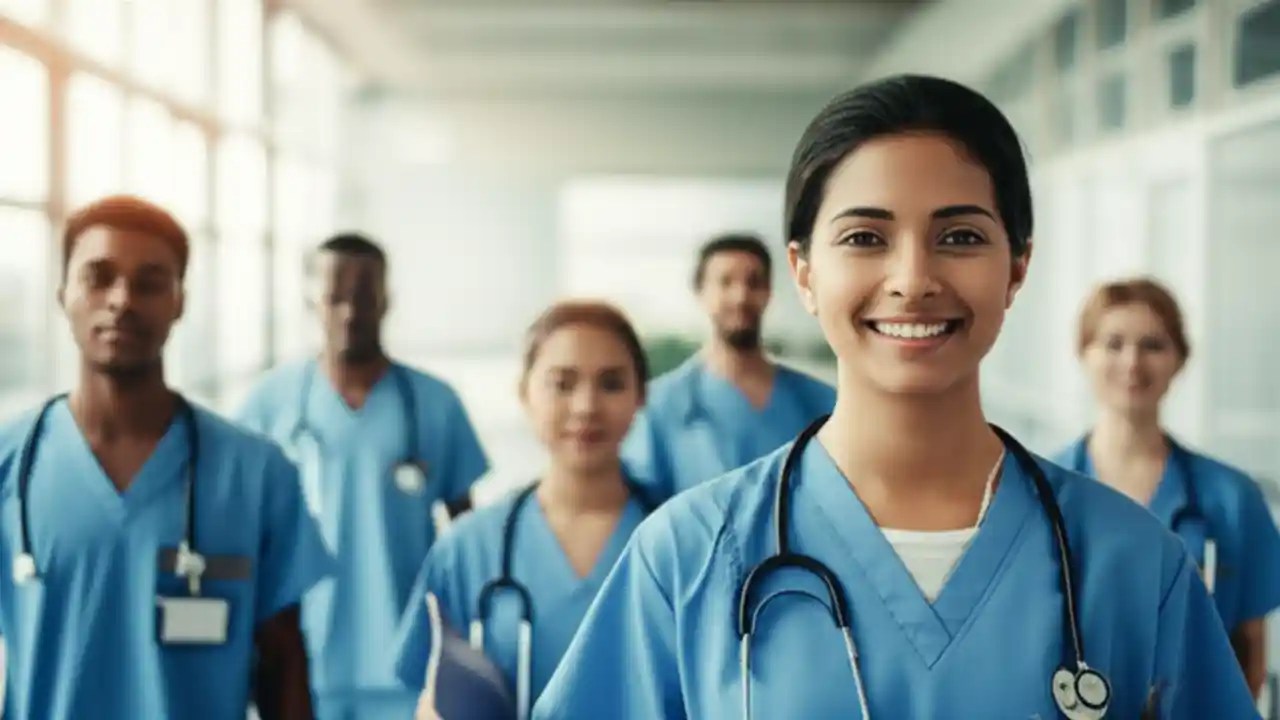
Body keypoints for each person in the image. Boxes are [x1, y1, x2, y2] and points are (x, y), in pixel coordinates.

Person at [532, 75, 1258, 719]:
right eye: (865, 237)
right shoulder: (690, 556)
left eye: (961, 236)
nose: (912, 277)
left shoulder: (1131, 562)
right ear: (805, 272)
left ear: (1017, 269)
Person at [0, 195, 332, 719]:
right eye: (99, 277)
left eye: (150, 282)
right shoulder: (10, 464)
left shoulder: (257, 474)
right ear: (64, 294)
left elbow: (284, 663)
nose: (122, 299)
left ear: (180, 301)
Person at [236, 233, 490, 720]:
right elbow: (238, 525)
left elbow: (467, 536)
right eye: (335, 297)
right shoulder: (270, 404)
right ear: (311, 300)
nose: (350, 312)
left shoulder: (435, 403)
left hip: (408, 663)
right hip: (299, 659)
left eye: (364, 296)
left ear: (387, 301)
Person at [395, 300, 654, 718]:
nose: (586, 406)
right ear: (524, 392)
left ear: (641, 394)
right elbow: (426, 696)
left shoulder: (687, 541)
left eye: (611, 384)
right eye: (562, 384)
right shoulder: (467, 550)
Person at [1053, 277, 1280, 699]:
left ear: (1180, 359)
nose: (1132, 363)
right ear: (1083, 353)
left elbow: (1250, 657)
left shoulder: (1232, 499)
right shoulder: (1035, 495)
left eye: (1153, 345)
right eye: (1113, 343)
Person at [621, 232, 835, 502]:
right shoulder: (660, 406)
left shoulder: (819, 402)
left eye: (754, 282)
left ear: (768, 292)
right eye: (725, 282)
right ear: (700, 292)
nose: (740, 296)